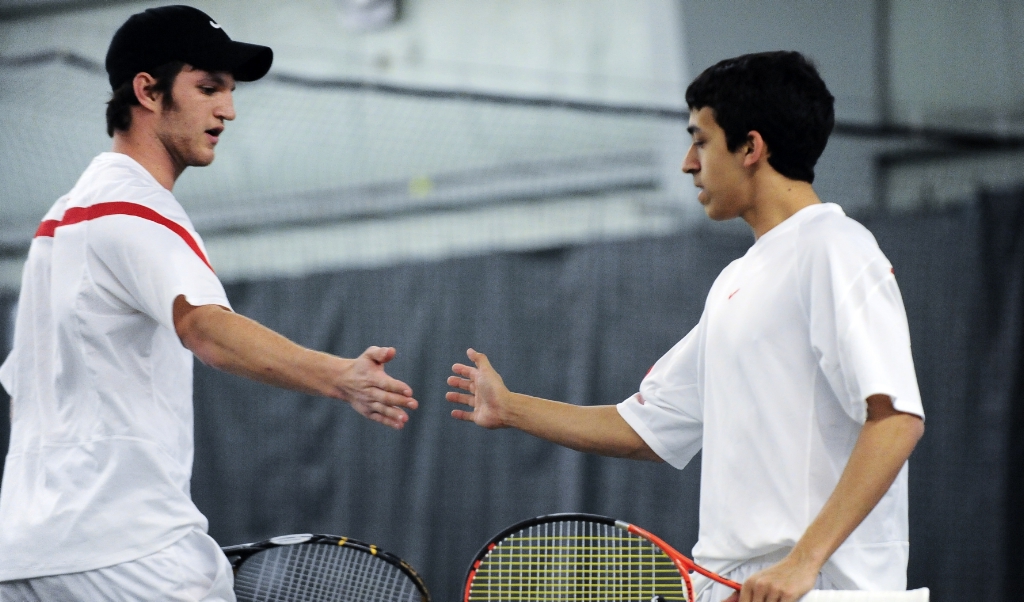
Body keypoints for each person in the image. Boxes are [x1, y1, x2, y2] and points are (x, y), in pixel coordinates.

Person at [447, 51, 925, 602]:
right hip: (733, 589)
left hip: (822, 590)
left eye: (700, 140)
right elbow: (646, 427)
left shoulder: (836, 249)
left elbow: (895, 420)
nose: (687, 163)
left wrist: (802, 563)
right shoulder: (735, 281)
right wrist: (509, 408)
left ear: (751, 147)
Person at [0, 6, 417, 601]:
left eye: (229, 90)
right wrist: (341, 377)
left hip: (23, 557)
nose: (228, 109)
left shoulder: (56, 228)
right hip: (128, 551)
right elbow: (202, 326)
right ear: (147, 90)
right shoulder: (136, 206)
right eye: (207, 88)